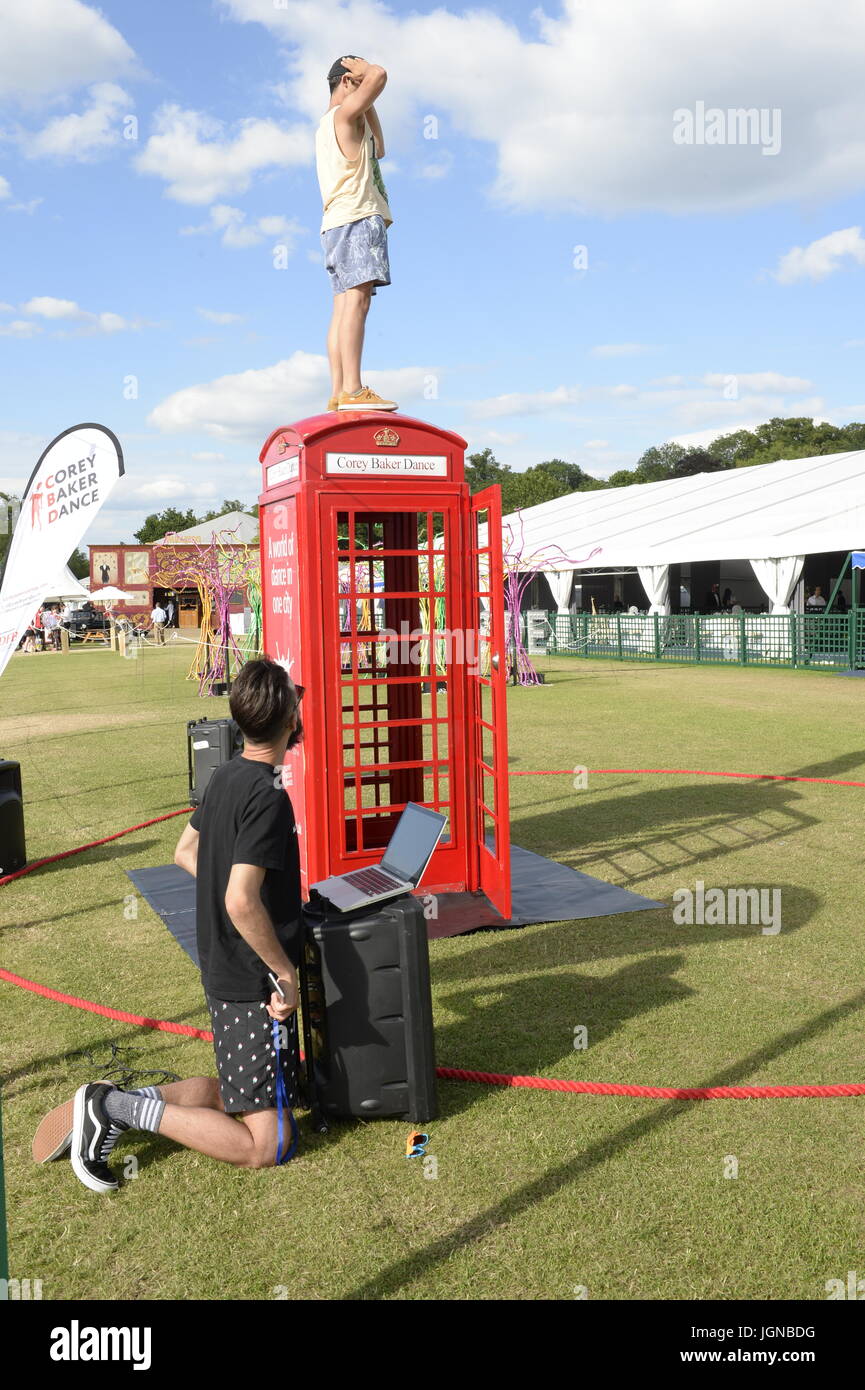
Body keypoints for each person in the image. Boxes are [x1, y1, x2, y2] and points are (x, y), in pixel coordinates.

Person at [59, 660, 305, 1191]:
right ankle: (114, 1106)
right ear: (290, 719)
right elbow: (241, 900)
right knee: (269, 1145)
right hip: (250, 980)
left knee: (237, 1091)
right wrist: (283, 972)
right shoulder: (268, 795)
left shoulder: (227, 775)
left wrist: (236, 898)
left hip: (223, 965)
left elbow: (186, 851)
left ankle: (121, 1104)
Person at [316, 55, 397, 413]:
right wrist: (365, 69)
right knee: (357, 302)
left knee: (342, 307)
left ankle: (338, 392)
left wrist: (373, 121)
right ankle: (352, 387)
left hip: (335, 224)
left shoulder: (333, 123)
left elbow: (379, 141)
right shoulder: (344, 116)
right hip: (357, 218)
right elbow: (378, 75)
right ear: (348, 81)